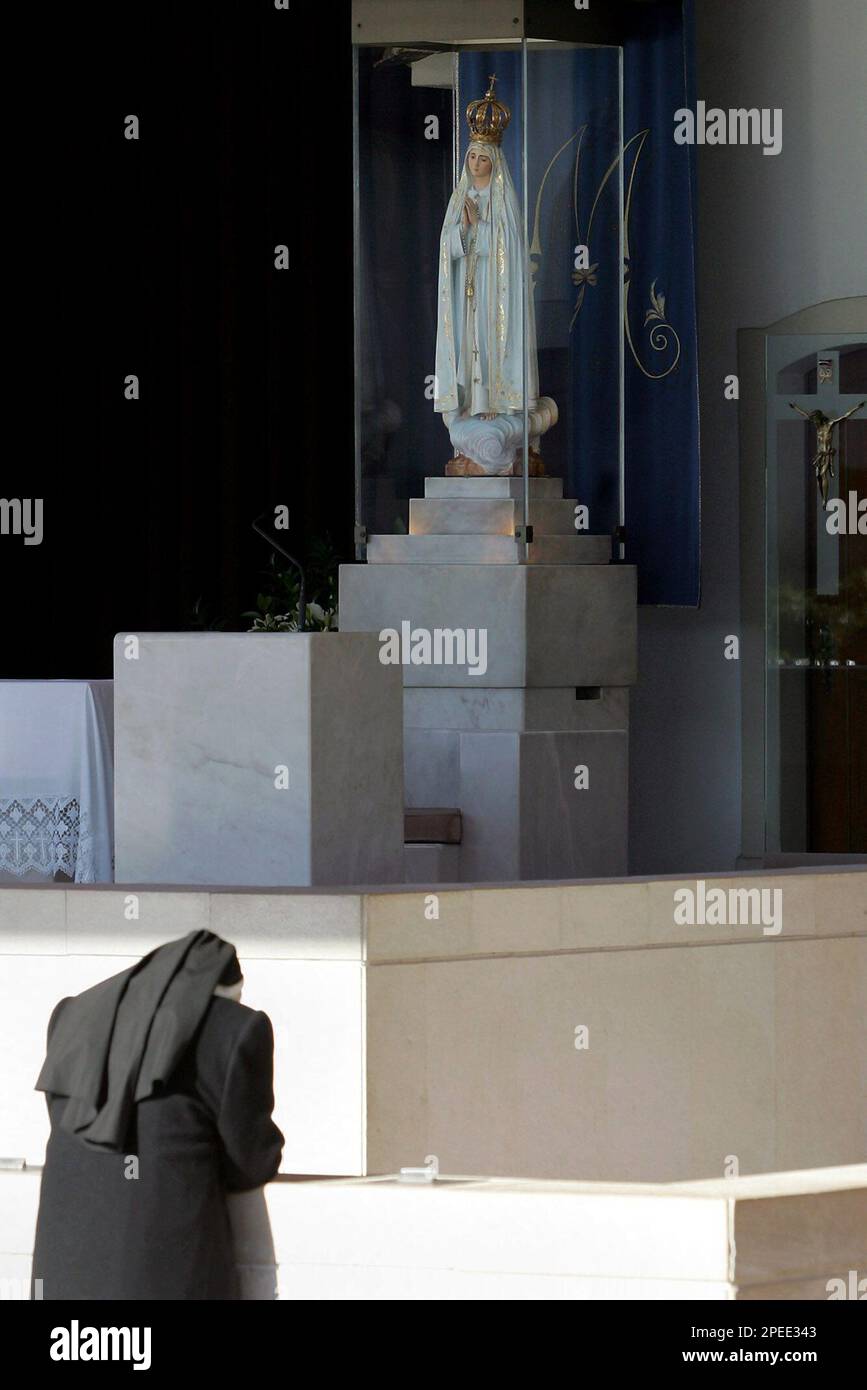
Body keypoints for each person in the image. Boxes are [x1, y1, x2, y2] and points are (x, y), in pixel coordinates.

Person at [31, 930, 284, 1300]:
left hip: (63, 1274)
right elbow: (251, 1162)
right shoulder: (237, 1028)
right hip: (171, 1273)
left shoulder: (73, 1016)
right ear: (226, 992)